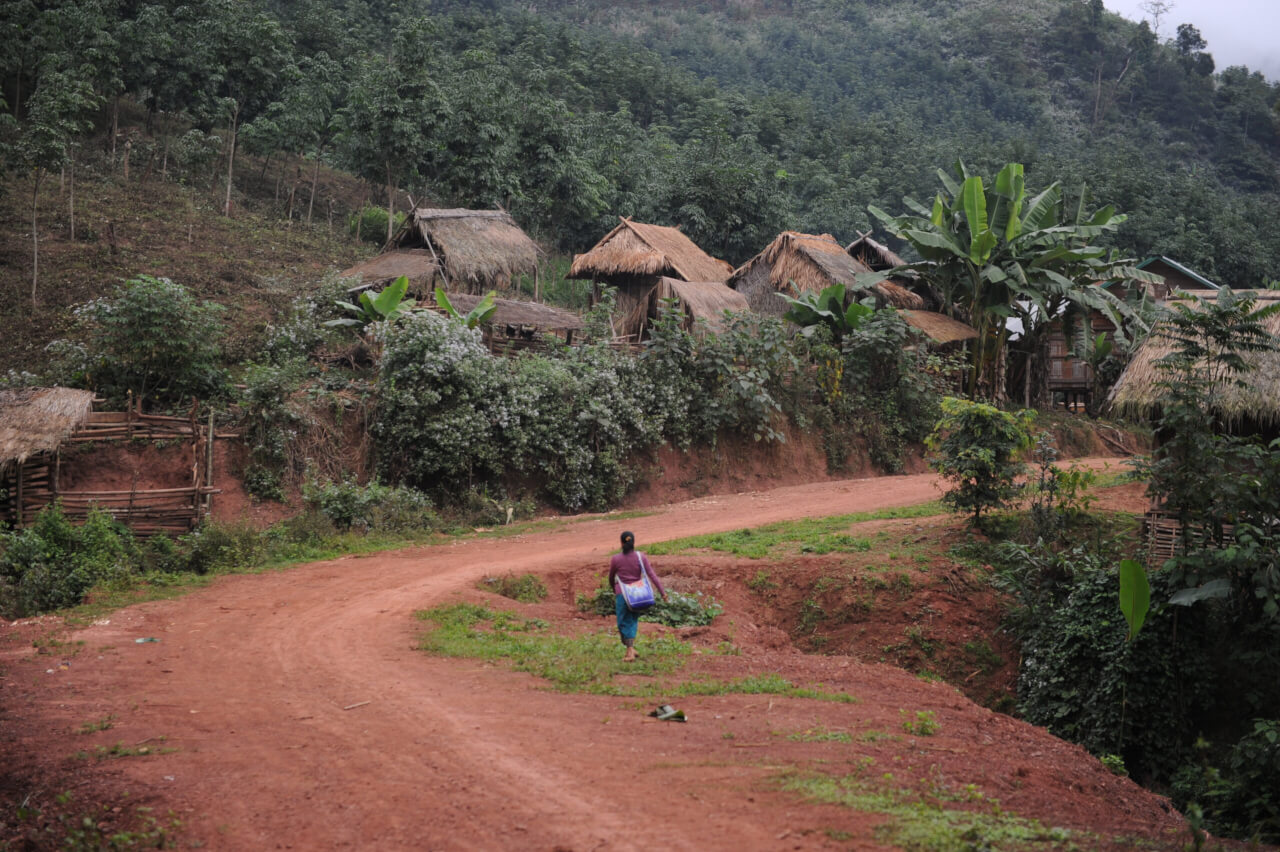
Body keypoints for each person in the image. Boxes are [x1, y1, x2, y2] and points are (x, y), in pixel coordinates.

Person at [608, 530, 665, 662]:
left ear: (621, 543)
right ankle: (631, 648)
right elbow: (652, 575)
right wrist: (663, 592)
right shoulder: (641, 556)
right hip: (638, 595)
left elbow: (611, 577)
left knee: (622, 622)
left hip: (623, 594)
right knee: (632, 620)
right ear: (633, 542)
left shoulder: (616, 559)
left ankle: (629, 651)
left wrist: (614, 589)